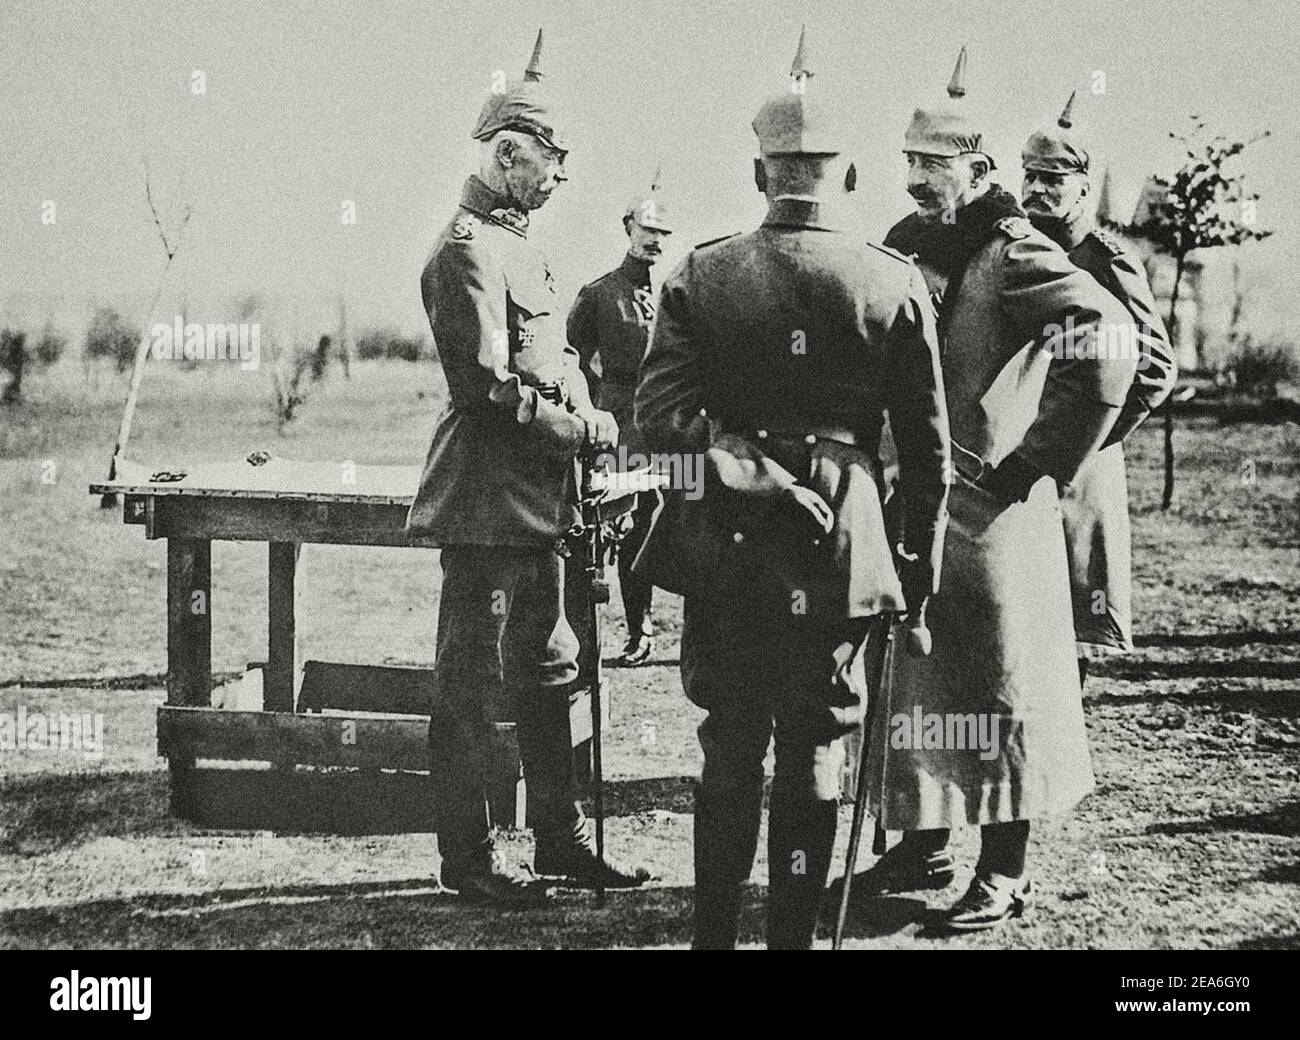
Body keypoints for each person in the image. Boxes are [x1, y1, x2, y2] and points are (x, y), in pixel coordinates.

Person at [634, 28, 950, 949]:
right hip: (844, 543)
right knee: (817, 744)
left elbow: (662, 418)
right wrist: (914, 568)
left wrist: (753, 473)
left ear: (759, 171)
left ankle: (711, 938)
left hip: (727, 540)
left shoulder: (701, 271)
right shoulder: (892, 283)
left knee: (731, 738)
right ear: (848, 176)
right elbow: (927, 455)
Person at [848, 47, 1140, 931]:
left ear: (976, 170)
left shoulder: (1015, 253)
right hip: (912, 502)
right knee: (913, 684)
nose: (912, 179)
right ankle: (918, 843)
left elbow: (1111, 343)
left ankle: (1004, 871)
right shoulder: (904, 245)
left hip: (994, 513)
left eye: (930, 166)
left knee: (1000, 687)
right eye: (906, 162)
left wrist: (1038, 459)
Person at [406, 30, 649, 907]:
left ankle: (560, 844)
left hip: (539, 504)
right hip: (484, 507)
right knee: (469, 685)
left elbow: (549, 362)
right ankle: (468, 863)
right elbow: (484, 389)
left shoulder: (521, 241)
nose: (560, 176)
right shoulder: (468, 249)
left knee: (550, 672)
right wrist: (580, 429)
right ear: (508, 156)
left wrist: (585, 427)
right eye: (551, 159)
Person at [1020, 92, 1177, 686]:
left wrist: (1090, 435)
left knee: (1069, 618)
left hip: (1077, 466)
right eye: (1030, 176)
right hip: (1020, 453)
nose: (1037, 189)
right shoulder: (1021, 251)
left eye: (1053, 179)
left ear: (1083, 187)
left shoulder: (1103, 258)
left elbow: (1156, 366)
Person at [566, 172, 673, 664]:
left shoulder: (676, 294)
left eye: (662, 232)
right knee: (629, 524)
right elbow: (570, 359)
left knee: (683, 518)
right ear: (628, 227)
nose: (655, 238)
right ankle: (639, 628)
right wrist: (592, 413)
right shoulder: (600, 295)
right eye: (647, 228)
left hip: (672, 428)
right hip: (623, 427)